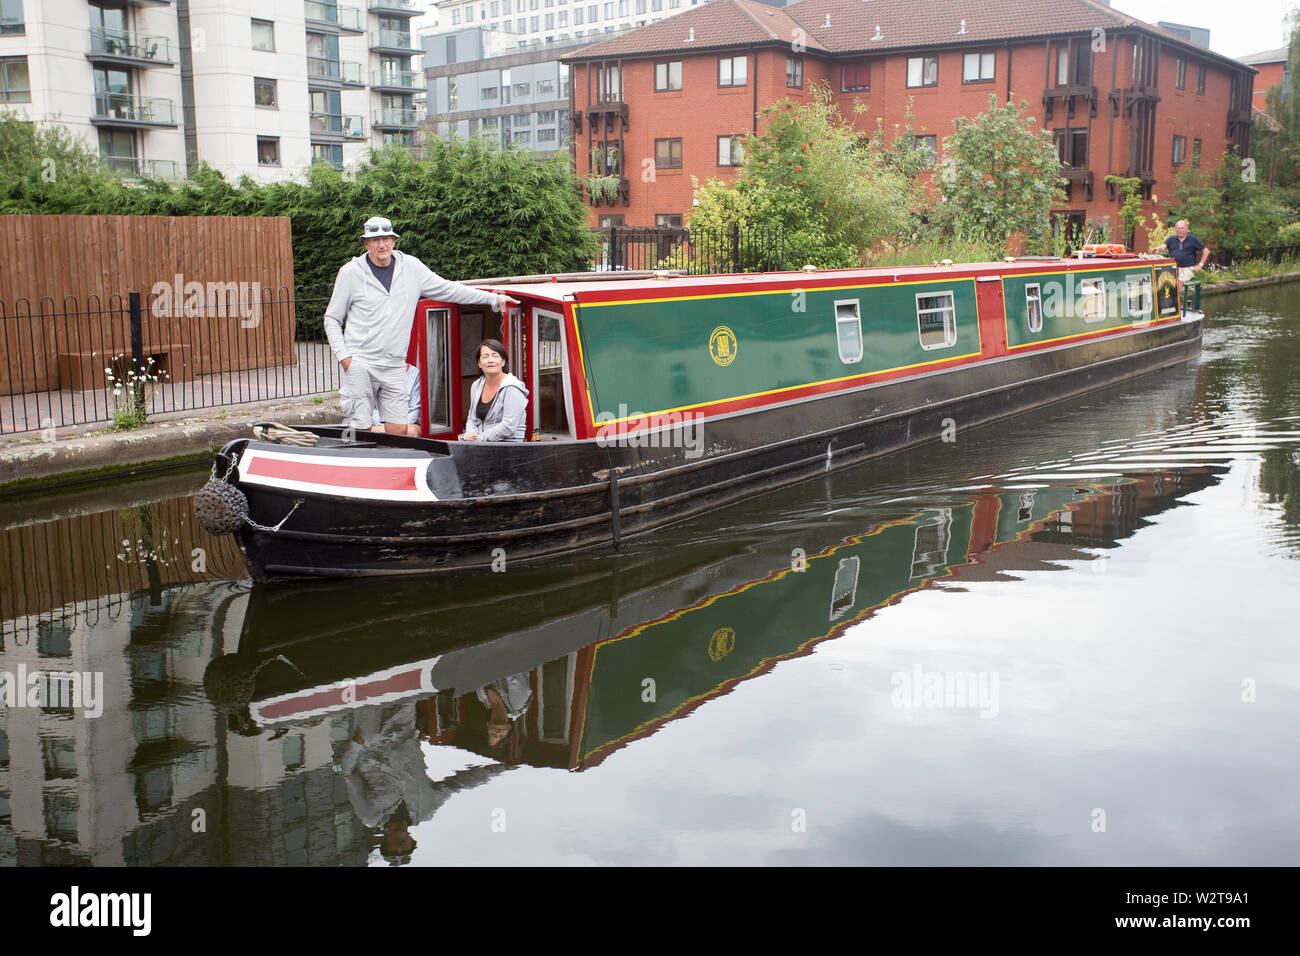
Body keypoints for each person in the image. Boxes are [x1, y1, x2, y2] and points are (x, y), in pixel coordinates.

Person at [323, 215, 519, 433]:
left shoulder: (411, 268)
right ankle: (362, 465)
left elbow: (449, 289)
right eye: (376, 240)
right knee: (360, 429)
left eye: (386, 238)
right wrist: (346, 359)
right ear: (366, 243)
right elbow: (332, 319)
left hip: (394, 365)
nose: (382, 244)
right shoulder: (351, 273)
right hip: (361, 362)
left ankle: (393, 467)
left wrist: (494, 299)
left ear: (394, 240)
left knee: (398, 430)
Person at [460, 338, 529, 442]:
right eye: (485, 356)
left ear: (503, 362)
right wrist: (469, 433)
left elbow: (508, 427)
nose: (490, 360)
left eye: (495, 355)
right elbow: (472, 418)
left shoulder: (513, 387)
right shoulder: (476, 386)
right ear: (479, 363)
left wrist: (478, 439)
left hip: (508, 448)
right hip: (481, 446)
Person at [371, 362, 421, 437]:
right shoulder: (374, 372)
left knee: (413, 431)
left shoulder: (415, 374)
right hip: (381, 423)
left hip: (406, 424)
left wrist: (377, 429)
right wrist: (389, 426)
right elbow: (371, 409)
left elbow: (414, 411)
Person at [1164, 219, 1210, 293]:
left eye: (1182, 228)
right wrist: (1157, 249)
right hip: (1173, 268)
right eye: (1178, 228)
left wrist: (1200, 265)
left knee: (1179, 282)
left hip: (1187, 269)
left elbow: (1206, 251)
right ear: (1175, 229)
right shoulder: (1171, 239)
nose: (1180, 230)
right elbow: (1163, 246)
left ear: (1186, 229)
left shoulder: (1193, 239)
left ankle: (1177, 303)